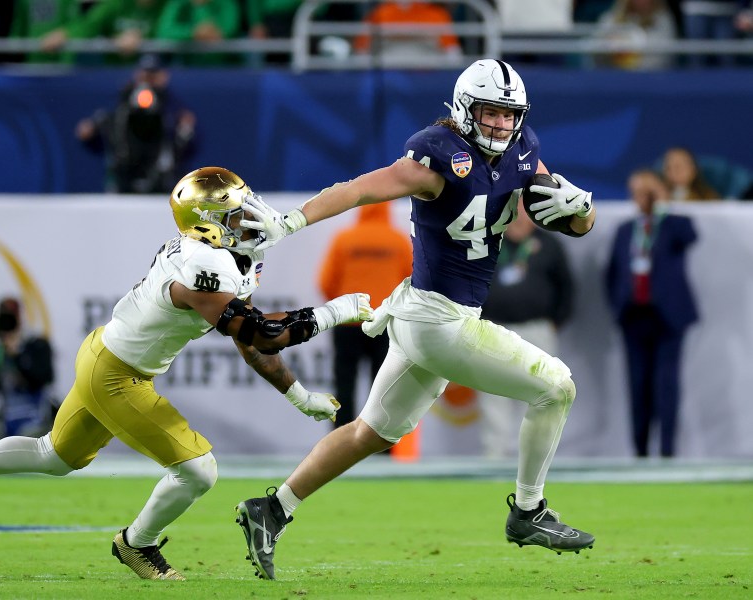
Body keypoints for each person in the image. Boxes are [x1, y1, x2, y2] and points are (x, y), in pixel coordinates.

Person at [0, 166, 375, 582]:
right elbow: (262, 334)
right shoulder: (204, 264)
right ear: (209, 224)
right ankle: (136, 543)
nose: (252, 216)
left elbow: (248, 339)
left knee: (52, 456)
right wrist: (334, 313)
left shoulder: (225, 256)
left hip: (106, 354)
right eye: (237, 213)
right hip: (116, 374)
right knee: (198, 470)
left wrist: (299, 396)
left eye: (248, 204)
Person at [234, 59, 596, 581]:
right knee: (557, 387)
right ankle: (528, 510)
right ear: (465, 109)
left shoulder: (523, 150)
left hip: (425, 316)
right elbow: (360, 188)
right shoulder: (438, 157)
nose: (499, 124)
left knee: (370, 432)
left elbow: (572, 220)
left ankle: (272, 509)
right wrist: (291, 220)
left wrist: (583, 208)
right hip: (439, 320)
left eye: (508, 114)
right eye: (490, 112)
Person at [605, 168, 698, 457]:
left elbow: (691, 235)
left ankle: (668, 451)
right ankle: (640, 451)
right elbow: (612, 273)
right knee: (638, 385)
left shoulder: (672, 225)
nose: (640, 198)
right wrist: (618, 307)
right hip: (634, 317)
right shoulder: (625, 230)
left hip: (668, 316)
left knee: (666, 384)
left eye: (646, 192)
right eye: (636, 192)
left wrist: (662, 203)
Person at [476, 206, 574, 459]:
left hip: (537, 329)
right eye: (513, 211)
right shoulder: (489, 241)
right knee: (492, 390)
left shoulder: (548, 244)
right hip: (493, 328)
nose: (518, 218)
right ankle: (494, 456)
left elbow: (566, 286)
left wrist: (555, 321)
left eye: (523, 211)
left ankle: (535, 457)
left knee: (541, 392)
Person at [317, 203, 412, 429]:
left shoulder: (345, 239)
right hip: (384, 324)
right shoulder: (398, 241)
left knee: (344, 385)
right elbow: (412, 283)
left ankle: (338, 444)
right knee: (384, 390)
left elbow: (326, 282)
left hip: (348, 322)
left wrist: (343, 308)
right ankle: (381, 447)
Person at [75, 54, 196, 194]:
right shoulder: (123, 105)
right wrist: (91, 135)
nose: (148, 83)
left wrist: (186, 132)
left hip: (160, 182)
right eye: (145, 77)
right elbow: (106, 140)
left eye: (153, 77)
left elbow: (187, 148)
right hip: (124, 180)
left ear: (164, 77)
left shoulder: (174, 109)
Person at [0, 296, 56, 443]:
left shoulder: (36, 345)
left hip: (35, 419)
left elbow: (45, 378)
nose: (9, 325)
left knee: (24, 444)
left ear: (21, 318)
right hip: (4, 422)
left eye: (12, 318)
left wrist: (17, 356)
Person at [594, 0, 678, 70]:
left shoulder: (663, 20)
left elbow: (664, 55)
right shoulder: (612, 18)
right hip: (613, 75)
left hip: (651, 76)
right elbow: (595, 47)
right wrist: (609, 45)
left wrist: (634, 58)